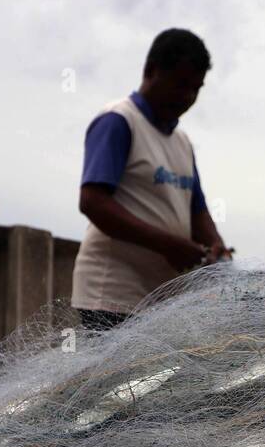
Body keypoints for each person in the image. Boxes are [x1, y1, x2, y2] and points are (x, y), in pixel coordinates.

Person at [71, 28, 231, 330]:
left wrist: (215, 243)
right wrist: (169, 245)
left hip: (160, 302)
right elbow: (93, 202)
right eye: (180, 84)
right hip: (112, 296)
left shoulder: (182, 142)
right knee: (120, 379)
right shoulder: (119, 121)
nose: (187, 97)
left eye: (196, 89)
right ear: (150, 70)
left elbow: (196, 210)